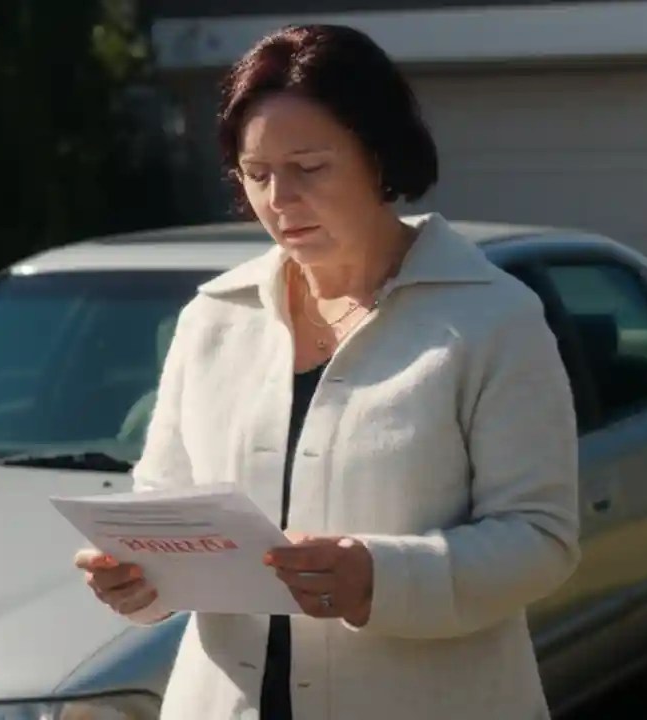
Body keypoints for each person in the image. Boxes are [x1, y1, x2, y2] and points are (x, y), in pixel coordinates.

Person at [75, 23, 580, 720]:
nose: (279, 199)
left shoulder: (494, 320)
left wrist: (379, 576)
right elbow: (166, 507)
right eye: (256, 175)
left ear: (379, 157)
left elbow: (542, 540)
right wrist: (141, 581)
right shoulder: (213, 318)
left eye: (309, 168)